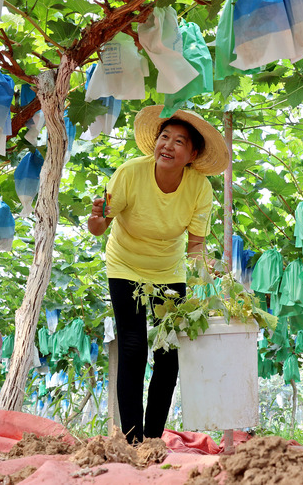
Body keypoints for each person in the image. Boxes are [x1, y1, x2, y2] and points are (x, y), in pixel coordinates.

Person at [87, 105, 229, 445]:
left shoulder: (199, 188)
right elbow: (99, 227)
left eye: (180, 141)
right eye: (164, 137)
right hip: (125, 265)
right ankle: (131, 440)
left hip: (169, 270)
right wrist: (96, 218)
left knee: (169, 353)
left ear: (192, 155)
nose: (168, 145)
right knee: (133, 347)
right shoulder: (130, 173)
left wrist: (208, 277)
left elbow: (196, 246)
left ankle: (152, 439)